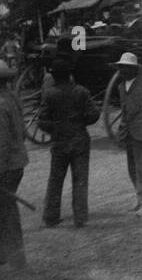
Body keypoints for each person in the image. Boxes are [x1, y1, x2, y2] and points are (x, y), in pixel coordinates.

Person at [38, 57, 101, 228]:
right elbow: (94, 114)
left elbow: (41, 121)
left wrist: (56, 128)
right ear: (70, 74)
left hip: (59, 141)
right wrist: (81, 121)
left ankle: (51, 216)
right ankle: (80, 217)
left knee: (55, 179)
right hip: (80, 139)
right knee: (80, 180)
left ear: (54, 76)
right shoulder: (81, 91)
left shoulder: (49, 94)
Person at [0, 59, 29, 267]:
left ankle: (6, 257)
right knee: (1, 209)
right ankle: (1, 256)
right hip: (16, 163)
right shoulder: (12, 99)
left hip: (6, 166)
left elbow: (1, 143)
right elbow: (23, 133)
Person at [112, 52, 142, 216]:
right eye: (121, 68)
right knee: (132, 169)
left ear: (134, 69)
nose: (123, 71)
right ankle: (141, 199)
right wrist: (122, 132)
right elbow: (125, 112)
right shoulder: (121, 87)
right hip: (130, 133)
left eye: (126, 68)